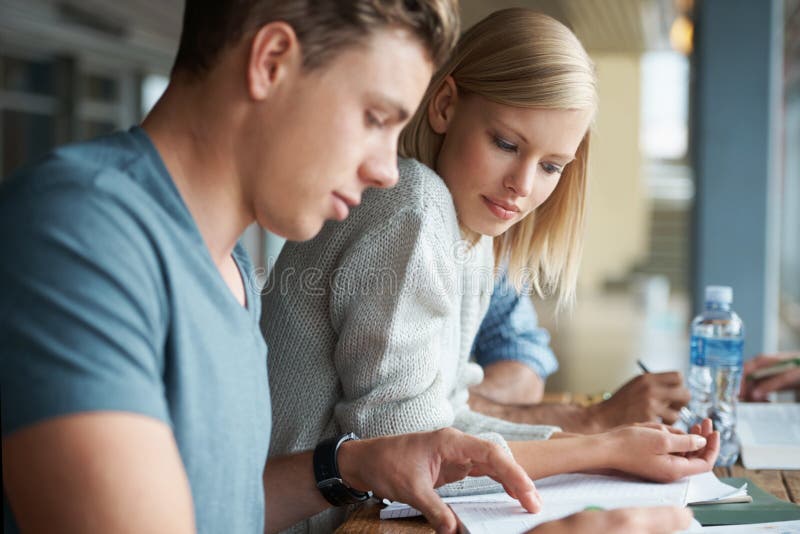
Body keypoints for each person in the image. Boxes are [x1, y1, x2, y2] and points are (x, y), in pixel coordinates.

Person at [0, 2, 544, 533]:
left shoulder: (231, 266)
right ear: (271, 62)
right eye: (375, 118)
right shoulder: (79, 234)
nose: (385, 169)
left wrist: (348, 467)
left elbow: (220, 506)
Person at [263, 9, 719, 532]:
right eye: (506, 144)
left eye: (551, 166)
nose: (521, 186)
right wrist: (601, 449)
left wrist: (608, 448)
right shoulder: (412, 206)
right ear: (445, 105)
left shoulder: (470, 233)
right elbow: (410, 446)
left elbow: (447, 418)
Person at [471, 273, 692, 432]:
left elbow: (524, 364)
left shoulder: (493, 252)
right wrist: (591, 419)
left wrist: (460, 405)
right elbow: (437, 420)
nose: (513, 204)